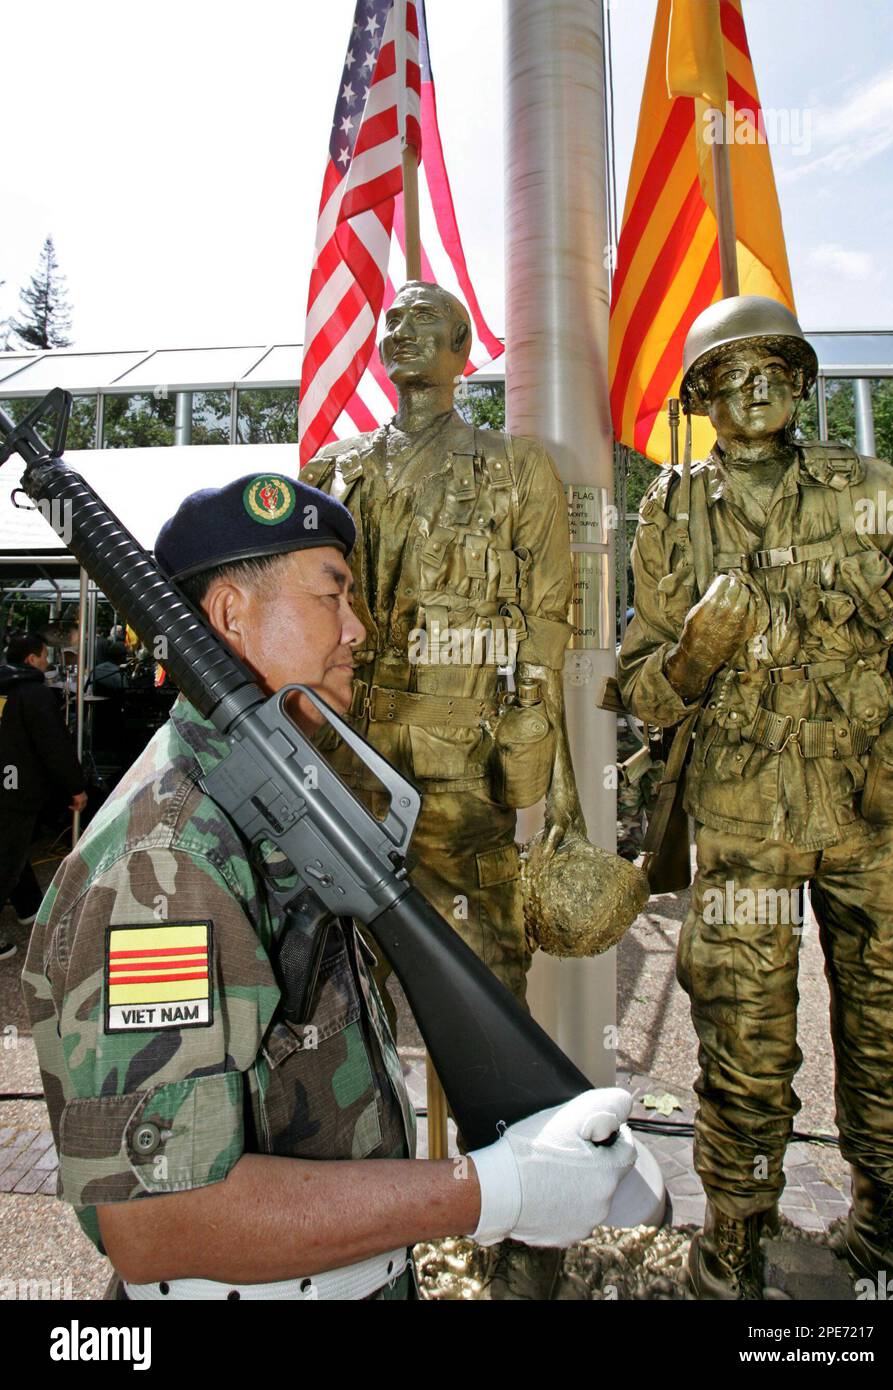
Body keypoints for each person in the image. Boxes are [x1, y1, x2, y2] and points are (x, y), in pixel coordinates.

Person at [22, 472, 636, 1301]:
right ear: (230, 617)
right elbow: (159, 1220)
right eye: (332, 595)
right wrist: (489, 1190)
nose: (358, 629)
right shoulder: (163, 862)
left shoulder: (268, 794)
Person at [617, 295, 893, 1299]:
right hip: (743, 823)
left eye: (771, 368)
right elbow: (640, 687)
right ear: (701, 396)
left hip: (871, 819)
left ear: (799, 381)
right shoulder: (671, 510)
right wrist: (696, 651)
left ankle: (886, 1227)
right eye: (727, 372)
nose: (751, 387)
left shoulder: (874, 489)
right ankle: (736, 1245)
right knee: (744, 1040)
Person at [300, 281, 584, 1017]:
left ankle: (499, 1122)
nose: (400, 330)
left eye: (424, 319)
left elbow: (550, 608)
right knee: (335, 983)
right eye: (392, 321)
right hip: (345, 756)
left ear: (462, 350)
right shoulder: (333, 469)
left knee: (485, 981)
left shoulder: (514, 465)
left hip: (461, 762)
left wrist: (532, 716)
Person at [0, 632, 86, 960]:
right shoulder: (34, 695)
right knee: (7, 856)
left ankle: (28, 905)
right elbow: (54, 747)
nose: (48, 660)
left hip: (8, 785)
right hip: (17, 792)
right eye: (44, 654)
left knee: (12, 850)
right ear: (32, 659)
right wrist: (75, 787)